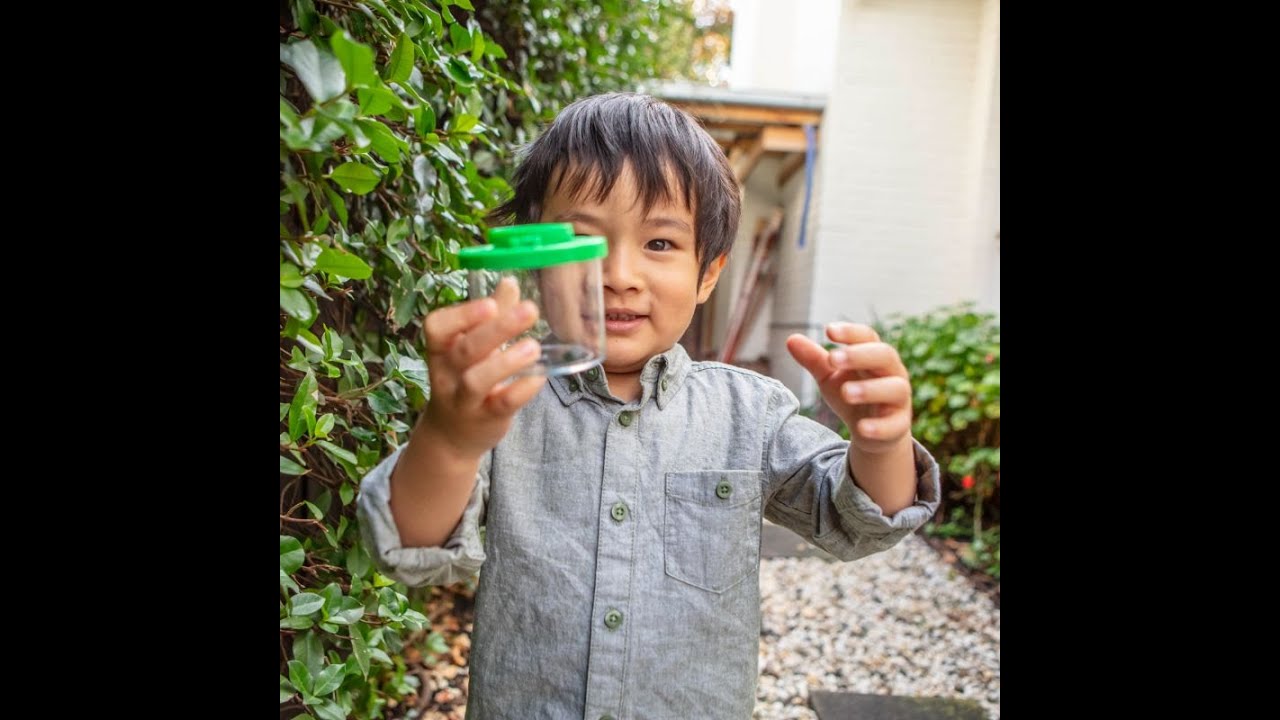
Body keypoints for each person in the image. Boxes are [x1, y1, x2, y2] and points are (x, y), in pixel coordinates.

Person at [357, 92, 941, 719]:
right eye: (581, 242)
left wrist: (881, 445)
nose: (619, 273)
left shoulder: (749, 413)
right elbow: (411, 549)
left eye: (660, 244)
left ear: (707, 274)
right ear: (533, 259)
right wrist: (450, 439)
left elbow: (854, 520)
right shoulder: (502, 406)